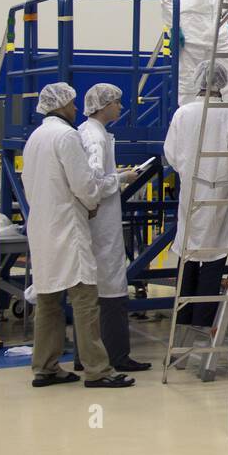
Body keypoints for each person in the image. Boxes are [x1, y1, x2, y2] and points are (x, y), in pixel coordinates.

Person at [20, 83, 134, 389]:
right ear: (61, 105)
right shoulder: (67, 136)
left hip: (42, 226)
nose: (75, 108)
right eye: (72, 103)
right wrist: (98, 199)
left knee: (48, 302)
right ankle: (97, 370)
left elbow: (30, 182)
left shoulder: (35, 138)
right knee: (84, 301)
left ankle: (45, 367)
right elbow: (84, 185)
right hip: (69, 228)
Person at [75, 84, 151, 372]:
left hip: (97, 222)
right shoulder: (95, 137)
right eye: (117, 103)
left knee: (96, 290)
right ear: (103, 105)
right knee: (111, 290)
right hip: (102, 224)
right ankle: (116, 356)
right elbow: (94, 181)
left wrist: (115, 176)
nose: (120, 107)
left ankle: (87, 357)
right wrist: (122, 179)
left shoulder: (90, 132)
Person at [163, 60, 228, 329]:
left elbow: (170, 153)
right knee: (215, 255)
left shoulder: (183, 114)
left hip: (191, 188)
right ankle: (203, 322)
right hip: (222, 191)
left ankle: (183, 319)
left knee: (188, 251)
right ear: (222, 82)